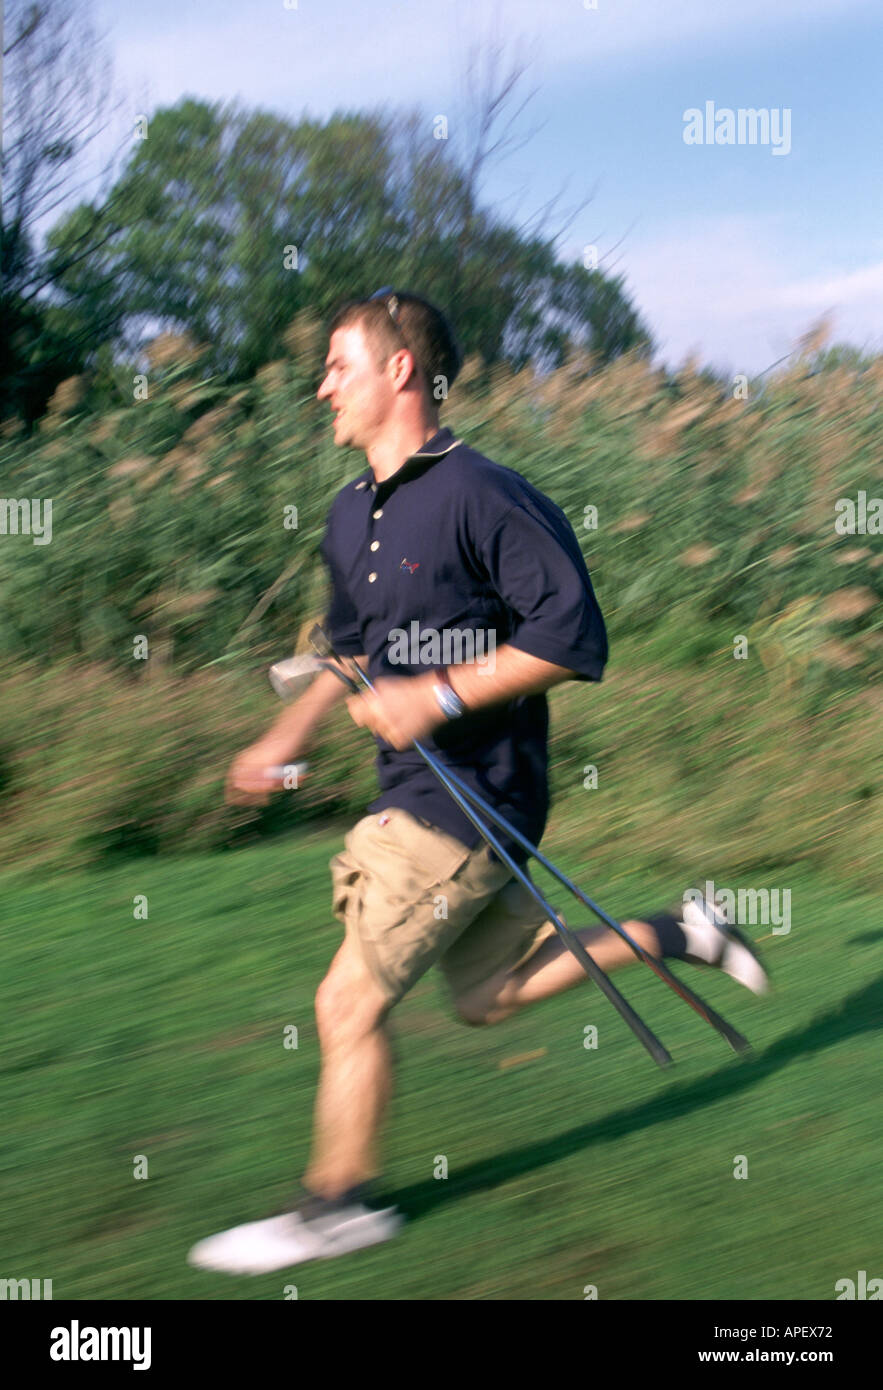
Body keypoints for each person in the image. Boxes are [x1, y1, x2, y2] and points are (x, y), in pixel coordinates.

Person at [188, 289, 767, 1275]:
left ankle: (340, 1203)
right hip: (414, 791)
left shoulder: (483, 494)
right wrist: (283, 735)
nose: (321, 384)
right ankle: (680, 929)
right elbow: (347, 653)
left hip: (477, 794)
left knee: (345, 1004)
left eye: (338, 364)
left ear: (400, 371)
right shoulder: (346, 513)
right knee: (487, 997)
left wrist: (436, 697)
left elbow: (572, 636)